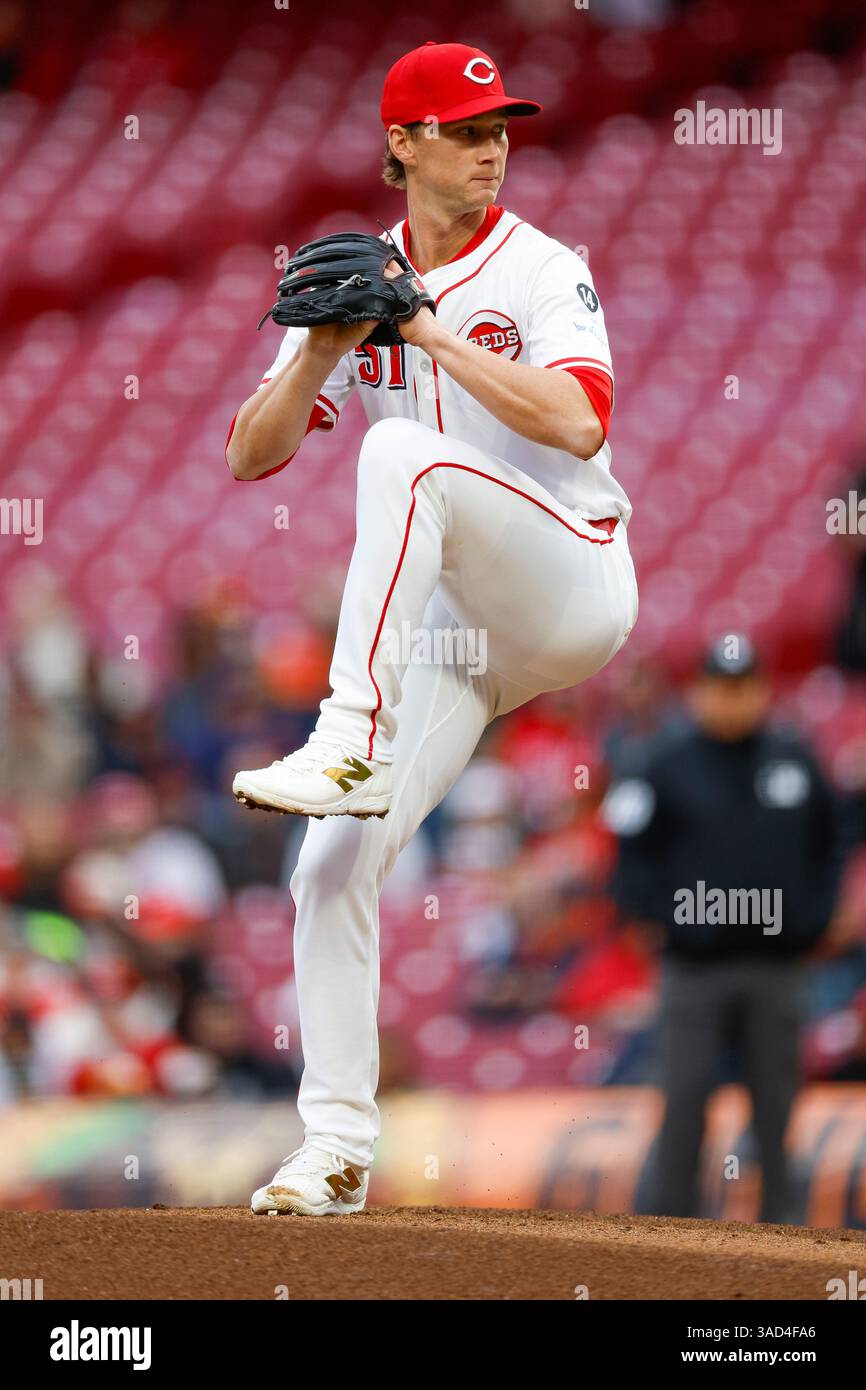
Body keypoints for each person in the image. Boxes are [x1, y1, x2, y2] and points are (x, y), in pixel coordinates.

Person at [227, 40, 638, 1216]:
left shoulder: (541, 268)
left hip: (569, 577)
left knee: (401, 449)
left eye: (499, 126)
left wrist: (424, 333)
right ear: (401, 144)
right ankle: (336, 1148)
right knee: (330, 864)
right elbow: (247, 456)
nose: (490, 146)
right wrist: (318, 346)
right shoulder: (362, 275)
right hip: (458, 631)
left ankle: (344, 727)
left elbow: (575, 423)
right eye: (463, 130)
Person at [606, 635, 841, 1224]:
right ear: (700, 690)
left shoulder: (794, 758)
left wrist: (813, 921)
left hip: (777, 965)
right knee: (684, 1101)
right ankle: (671, 1238)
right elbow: (631, 853)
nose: (732, 700)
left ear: (761, 689)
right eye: (721, 686)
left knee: (778, 1108)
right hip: (694, 968)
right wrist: (658, 921)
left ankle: (786, 1245)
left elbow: (831, 844)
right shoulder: (664, 763)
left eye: (744, 687)